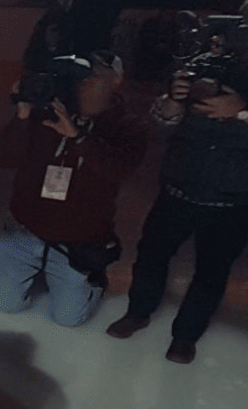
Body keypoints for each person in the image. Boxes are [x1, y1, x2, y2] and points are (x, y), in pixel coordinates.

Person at [106, 20, 248, 364]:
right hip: (179, 186)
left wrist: (242, 111)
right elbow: (163, 120)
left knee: (212, 271)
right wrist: (172, 101)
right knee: (151, 253)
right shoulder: (204, 64)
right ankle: (138, 311)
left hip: (233, 198)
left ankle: (185, 336)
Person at [0, 54, 147, 326]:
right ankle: (33, 266)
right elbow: (5, 159)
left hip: (79, 240)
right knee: (5, 303)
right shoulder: (47, 111)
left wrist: (77, 137)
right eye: (82, 78)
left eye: (95, 78)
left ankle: (93, 280)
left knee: (68, 319)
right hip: (28, 228)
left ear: (115, 82)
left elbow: (119, 169)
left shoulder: (127, 125)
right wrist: (23, 114)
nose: (85, 84)